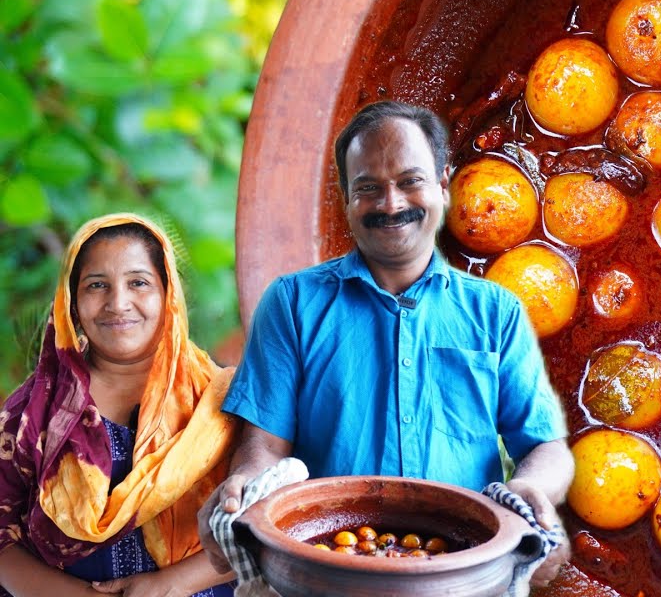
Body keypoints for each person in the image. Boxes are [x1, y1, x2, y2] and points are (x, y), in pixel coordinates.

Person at [200, 101, 573, 584]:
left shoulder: (495, 311)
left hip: (462, 573)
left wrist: (530, 490)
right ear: (347, 200)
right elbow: (263, 446)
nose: (391, 203)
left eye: (410, 181)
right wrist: (246, 488)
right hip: (327, 569)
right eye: (368, 188)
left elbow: (546, 445)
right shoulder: (292, 302)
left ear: (442, 184)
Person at [0, 214, 238, 597]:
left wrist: (170, 584)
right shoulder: (33, 412)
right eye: (97, 285)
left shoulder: (219, 402)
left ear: (168, 295)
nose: (118, 303)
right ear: (72, 304)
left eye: (139, 283)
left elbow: (261, 517)